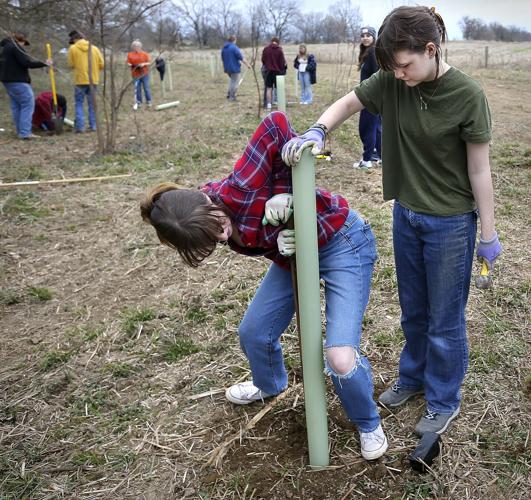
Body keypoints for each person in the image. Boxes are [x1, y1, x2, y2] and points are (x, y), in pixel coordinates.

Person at [282, 6, 502, 436]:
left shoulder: (467, 95)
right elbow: (349, 101)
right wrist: (317, 130)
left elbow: (480, 169)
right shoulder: (392, 81)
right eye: (393, 68)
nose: (399, 75)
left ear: (431, 49)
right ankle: (413, 376)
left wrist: (488, 236)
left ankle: (442, 399)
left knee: (445, 319)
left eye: (405, 65)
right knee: (413, 312)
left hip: (452, 225)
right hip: (407, 215)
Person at [140, 111, 388, 461]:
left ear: (206, 203)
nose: (222, 235)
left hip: (342, 240)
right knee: (254, 333)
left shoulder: (241, 187)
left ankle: (367, 422)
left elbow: (275, 122)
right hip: (295, 258)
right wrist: (290, 234)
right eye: (212, 240)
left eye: (218, 226)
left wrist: (291, 195)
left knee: (340, 357)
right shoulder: (204, 224)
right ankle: (270, 385)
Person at [0, 31, 51, 140]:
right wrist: (44, 63)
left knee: (17, 106)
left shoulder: (4, 49)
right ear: (21, 40)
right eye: (24, 43)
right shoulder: (16, 48)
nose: (24, 46)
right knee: (28, 105)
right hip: (19, 81)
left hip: (7, 81)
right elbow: (26, 63)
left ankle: (20, 131)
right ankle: (25, 133)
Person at [67, 30, 104, 133]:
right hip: (93, 80)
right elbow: (102, 64)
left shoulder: (73, 48)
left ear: (74, 39)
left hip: (80, 80)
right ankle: (93, 126)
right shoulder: (94, 48)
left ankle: (80, 127)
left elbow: (70, 64)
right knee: (92, 104)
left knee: (79, 103)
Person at [356, 27, 382, 169]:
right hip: (371, 96)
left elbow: (377, 76)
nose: (365, 38)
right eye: (363, 35)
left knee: (366, 128)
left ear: (373, 37)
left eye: (368, 35)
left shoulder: (372, 53)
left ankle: (366, 160)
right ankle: (381, 156)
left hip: (370, 97)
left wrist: (371, 96)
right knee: (376, 128)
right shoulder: (368, 52)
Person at [221, 35, 250, 102]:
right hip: (234, 68)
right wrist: (247, 65)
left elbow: (222, 58)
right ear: (234, 40)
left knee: (232, 81)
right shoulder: (234, 48)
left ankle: (229, 94)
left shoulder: (224, 48)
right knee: (235, 82)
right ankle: (232, 97)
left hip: (227, 68)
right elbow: (241, 57)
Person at [261, 37, 287, 110]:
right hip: (277, 72)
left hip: (268, 71)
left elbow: (263, 60)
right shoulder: (279, 50)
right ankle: (279, 103)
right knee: (278, 88)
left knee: (269, 88)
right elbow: (282, 62)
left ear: (271, 41)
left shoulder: (266, 49)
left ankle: (269, 104)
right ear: (278, 42)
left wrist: (267, 65)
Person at [127, 40, 152, 110]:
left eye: (138, 46)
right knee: (137, 89)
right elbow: (128, 63)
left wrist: (143, 64)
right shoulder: (130, 54)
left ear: (140, 46)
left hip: (144, 73)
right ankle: (138, 102)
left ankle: (149, 101)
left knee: (146, 88)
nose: (136, 47)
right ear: (132, 47)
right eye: (135, 46)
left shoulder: (145, 54)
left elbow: (149, 62)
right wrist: (133, 65)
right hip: (135, 74)